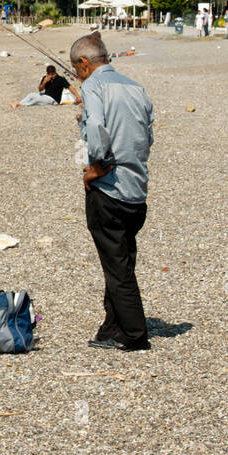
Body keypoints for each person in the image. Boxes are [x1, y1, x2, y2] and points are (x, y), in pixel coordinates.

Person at [71, 32, 155, 351]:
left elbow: (97, 130)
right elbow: (146, 136)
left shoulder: (92, 85)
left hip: (110, 192)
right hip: (137, 190)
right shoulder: (136, 87)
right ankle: (112, 325)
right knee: (120, 259)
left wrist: (97, 166)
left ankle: (134, 335)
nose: (78, 75)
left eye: (76, 69)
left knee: (118, 267)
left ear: (84, 63)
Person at [11, 64, 79, 108]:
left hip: (53, 99)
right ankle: (19, 103)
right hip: (45, 95)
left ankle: (21, 105)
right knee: (31, 95)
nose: (52, 76)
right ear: (47, 73)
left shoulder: (61, 79)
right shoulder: (45, 78)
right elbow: (40, 89)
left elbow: (70, 87)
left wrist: (78, 96)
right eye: (50, 74)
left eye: (53, 74)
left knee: (37, 100)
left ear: (55, 72)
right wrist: (44, 82)